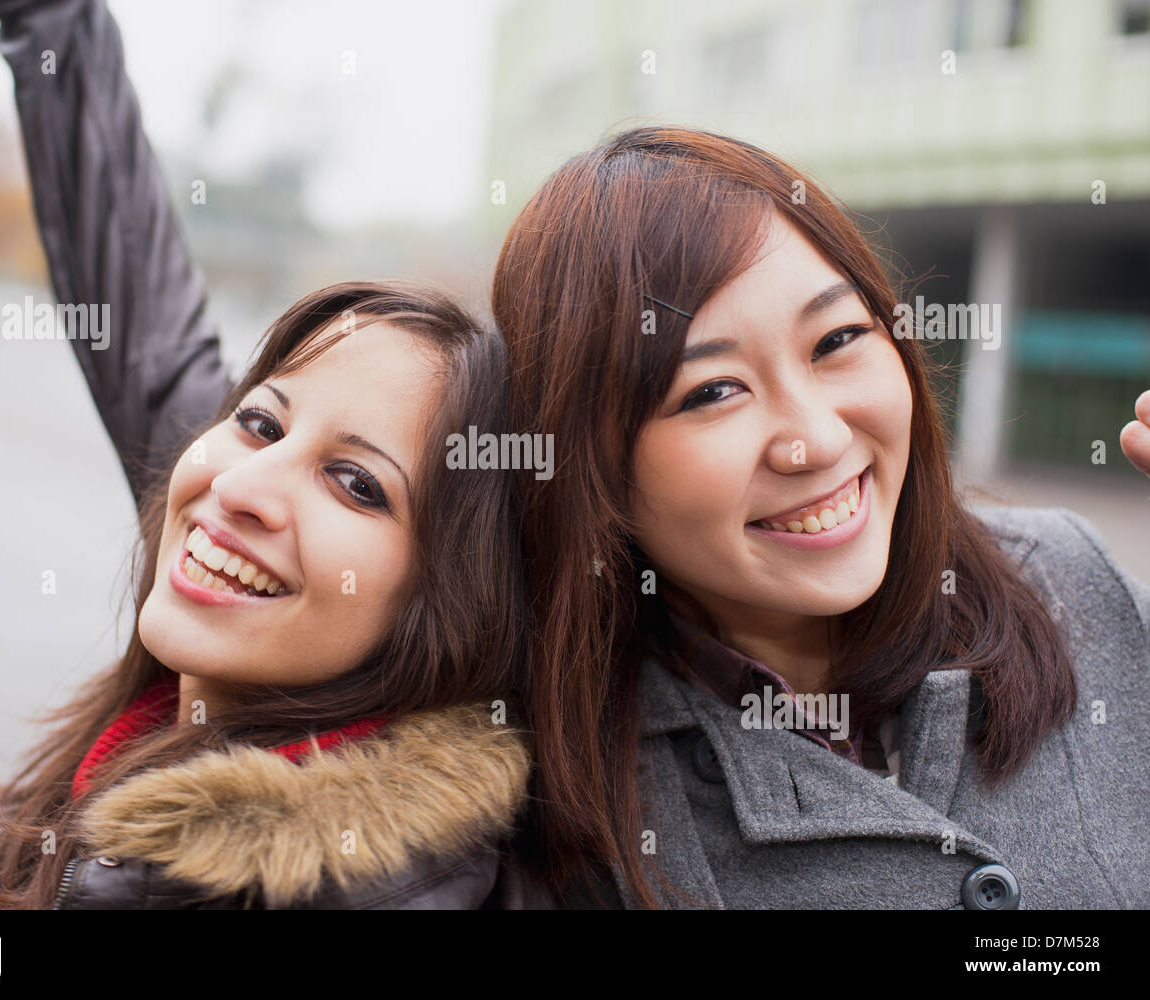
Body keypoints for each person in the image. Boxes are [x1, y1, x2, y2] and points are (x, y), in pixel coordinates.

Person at [0, 0, 536, 910]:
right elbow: (144, 323)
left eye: (357, 483)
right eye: (261, 422)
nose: (245, 485)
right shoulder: (166, 743)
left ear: (451, 599)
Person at [490, 127, 1150, 908]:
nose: (819, 439)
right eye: (712, 391)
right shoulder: (552, 804)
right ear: (590, 470)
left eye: (838, 339)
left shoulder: (1072, 579)